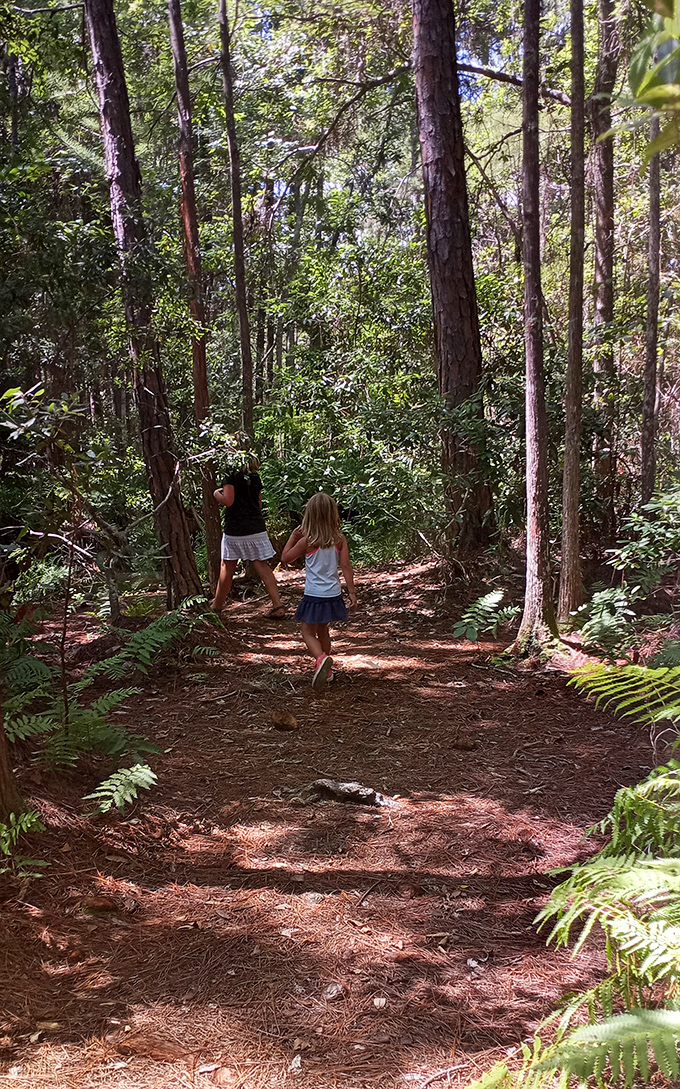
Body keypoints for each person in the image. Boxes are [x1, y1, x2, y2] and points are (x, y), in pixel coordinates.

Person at [281, 491, 357, 692]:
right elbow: (346, 566)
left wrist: (293, 536)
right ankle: (327, 670)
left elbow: (285, 558)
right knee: (323, 630)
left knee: (307, 631)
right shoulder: (339, 538)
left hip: (314, 594)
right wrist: (352, 593)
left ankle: (321, 659)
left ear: (310, 515)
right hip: (333, 593)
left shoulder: (307, 540)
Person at [211, 457, 285, 618]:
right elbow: (258, 504)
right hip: (256, 527)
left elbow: (228, 501)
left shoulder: (231, 476)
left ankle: (217, 606)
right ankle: (278, 605)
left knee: (227, 567)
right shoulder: (255, 478)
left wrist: (216, 493)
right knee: (263, 567)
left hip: (236, 529)